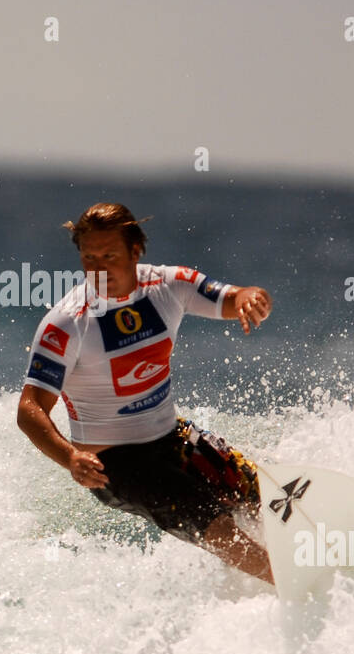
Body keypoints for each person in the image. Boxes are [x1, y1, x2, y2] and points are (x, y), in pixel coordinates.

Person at [16, 203, 276, 584]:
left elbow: (233, 296)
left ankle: (281, 569)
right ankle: (292, 584)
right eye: (89, 258)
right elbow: (29, 408)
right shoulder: (67, 323)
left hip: (171, 437)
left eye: (109, 256)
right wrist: (70, 456)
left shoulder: (169, 285)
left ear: (135, 251)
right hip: (116, 465)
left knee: (264, 497)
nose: (98, 268)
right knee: (216, 524)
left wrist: (253, 298)